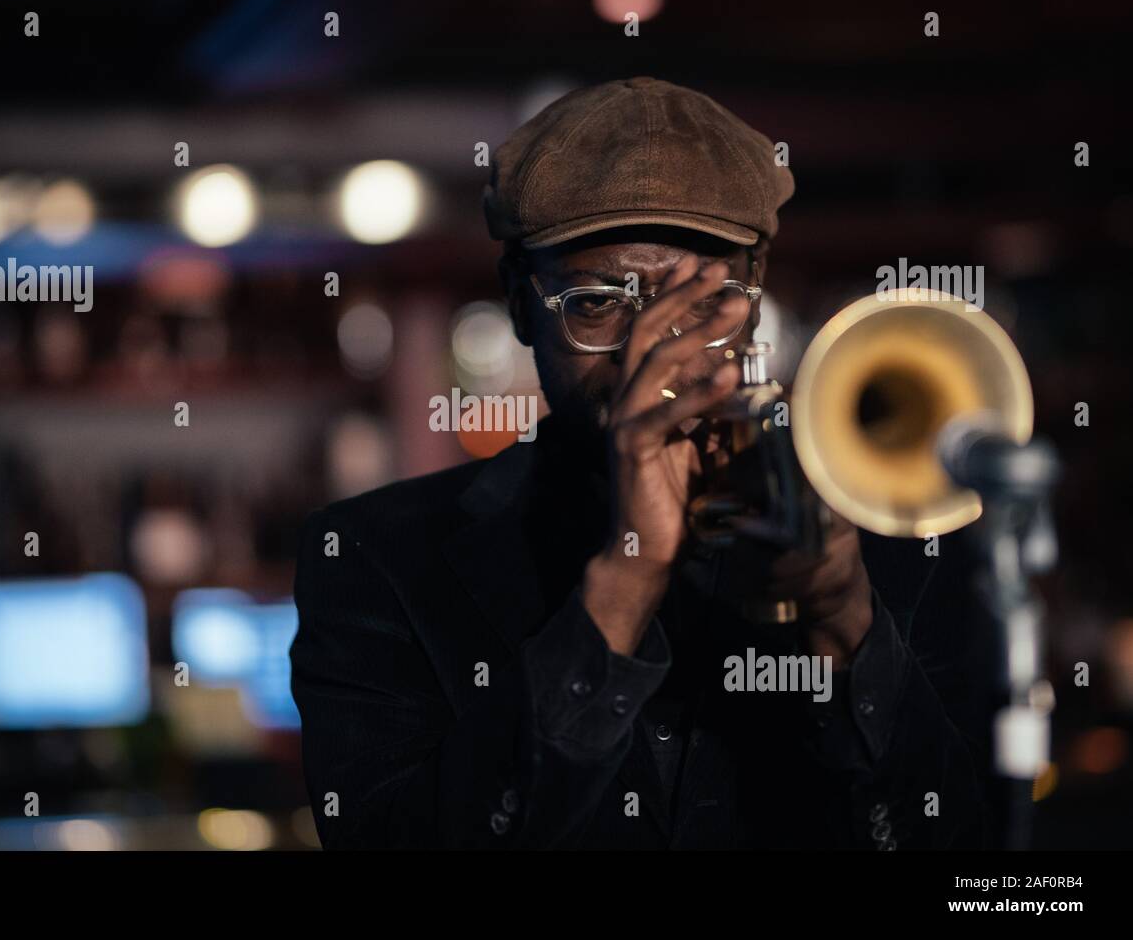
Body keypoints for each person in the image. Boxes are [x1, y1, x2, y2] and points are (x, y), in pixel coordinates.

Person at [291, 77, 1003, 849]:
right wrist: (622, 588)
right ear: (521, 304)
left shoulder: (914, 541)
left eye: (699, 299)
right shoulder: (373, 559)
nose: (651, 359)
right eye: (598, 304)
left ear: (755, 293)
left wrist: (845, 628)